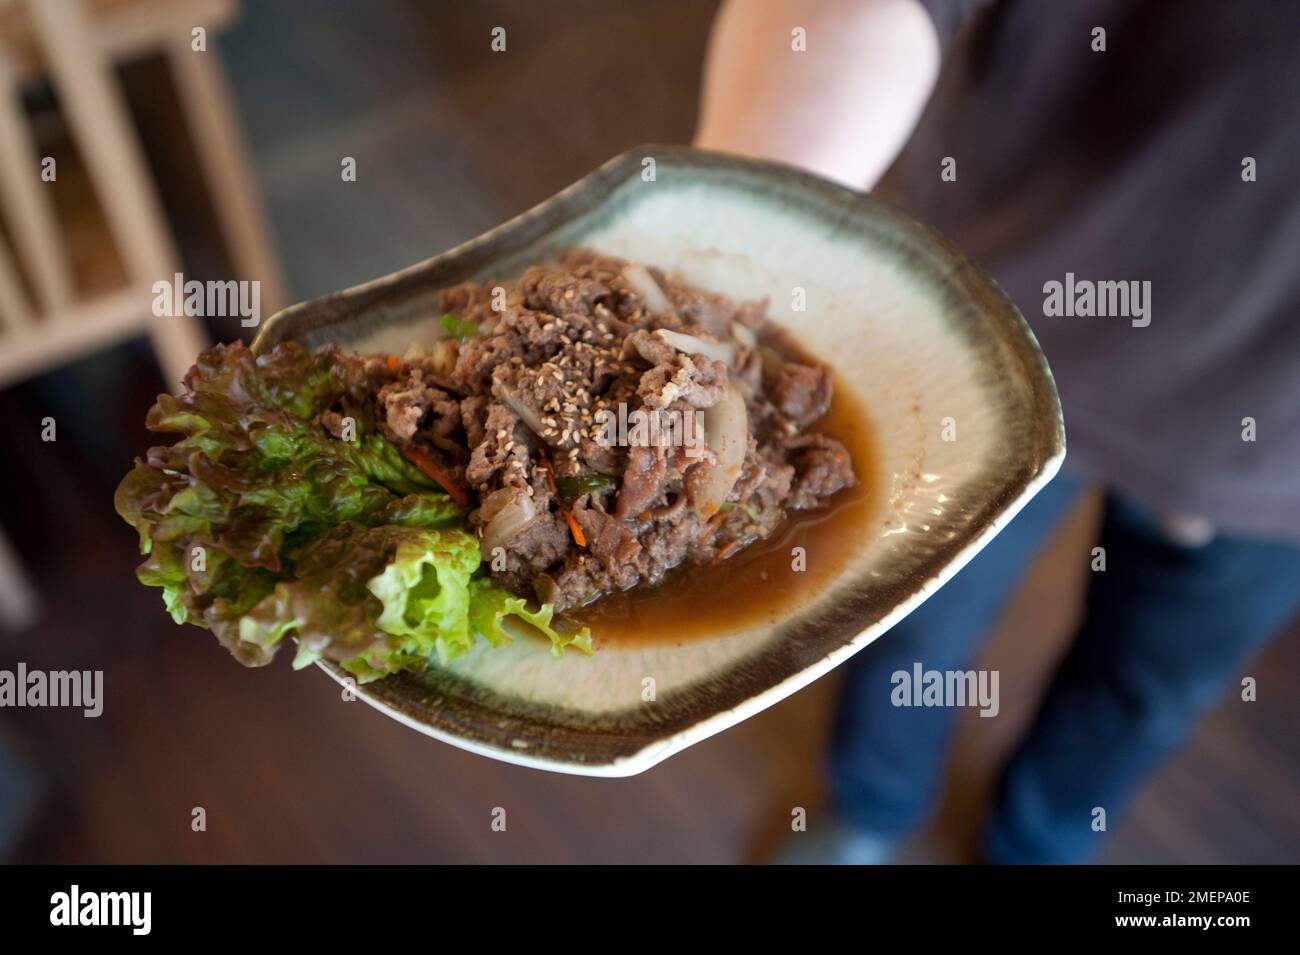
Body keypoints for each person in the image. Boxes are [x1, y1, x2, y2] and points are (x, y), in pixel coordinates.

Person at [696, 0, 1300, 863]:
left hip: (1280, 445)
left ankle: (1040, 843)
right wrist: (720, 250)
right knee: (908, 617)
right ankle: (871, 803)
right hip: (994, 325)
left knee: (1149, 684)